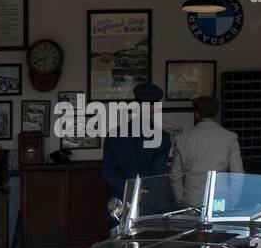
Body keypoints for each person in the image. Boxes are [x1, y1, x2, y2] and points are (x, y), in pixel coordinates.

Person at [102, 82, 172, 216]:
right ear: (155, 107)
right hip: (150, 204)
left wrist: (127, 189)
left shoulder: (113, 135)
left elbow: (108, 170)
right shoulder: (163, 137)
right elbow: (157, 172)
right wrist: (141, 190)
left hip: (120, 204)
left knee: (117, 236)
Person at [170, 95, 243, 208]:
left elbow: (175, 176)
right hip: (220, 201)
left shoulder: (181, 139)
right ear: (216, 114)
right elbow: (237, 174)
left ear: (196, 114)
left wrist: (181, 200)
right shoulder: (230, 137)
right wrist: (232, 201)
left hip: (191, 201)